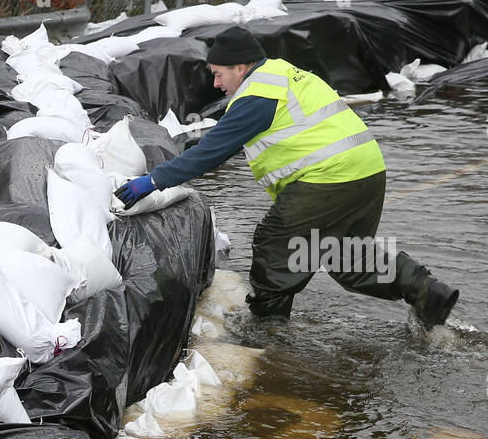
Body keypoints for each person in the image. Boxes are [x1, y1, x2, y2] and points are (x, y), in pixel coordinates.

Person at [114, 26, 459, 329]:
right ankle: (429, 293)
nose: (216, 83)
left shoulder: (256, 95)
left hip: (328, 178)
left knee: (274, 240)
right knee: (345, 257)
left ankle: (267, 326)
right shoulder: (284, 73)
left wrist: (153, 181)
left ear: (241, 66)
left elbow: (209, 153)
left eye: (219, 74)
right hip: (367, 172)